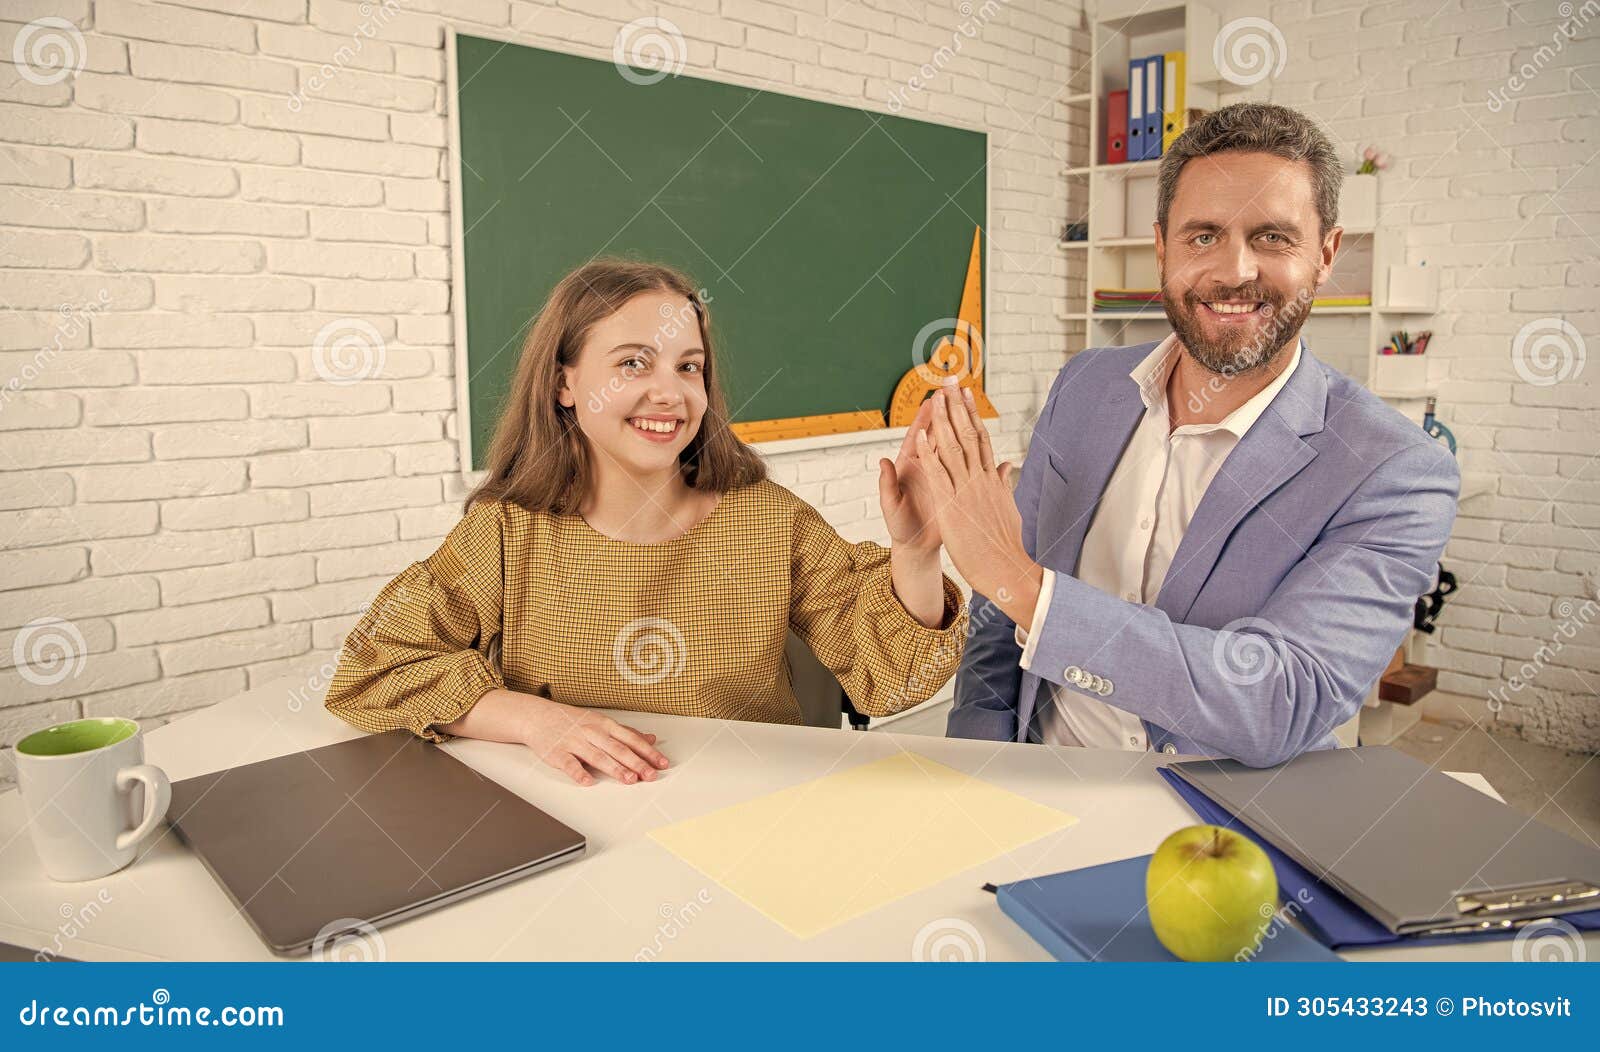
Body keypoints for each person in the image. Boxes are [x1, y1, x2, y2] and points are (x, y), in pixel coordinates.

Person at [930, 102, 1459, 767]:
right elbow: (994, 636)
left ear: (1325, 254)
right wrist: (979, 772)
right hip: (1039, 785)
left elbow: (1279, 698)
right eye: (1203, 236)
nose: (1234, 271)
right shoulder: (1085, 387)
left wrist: (1019, 584)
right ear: (1163, 247)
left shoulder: (1396, 470)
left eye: (1272, 237)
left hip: (1226, 828)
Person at [326, 259, 966, 785]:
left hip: (746, 812)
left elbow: (894, 678)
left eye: (689, 366)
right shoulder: (506, 530)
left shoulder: (772, 519)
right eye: (634, 362)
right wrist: (535, 721)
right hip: (576, 817)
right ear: (564, 385)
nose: (672, 392)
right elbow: (378, 666)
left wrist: (914, 552)